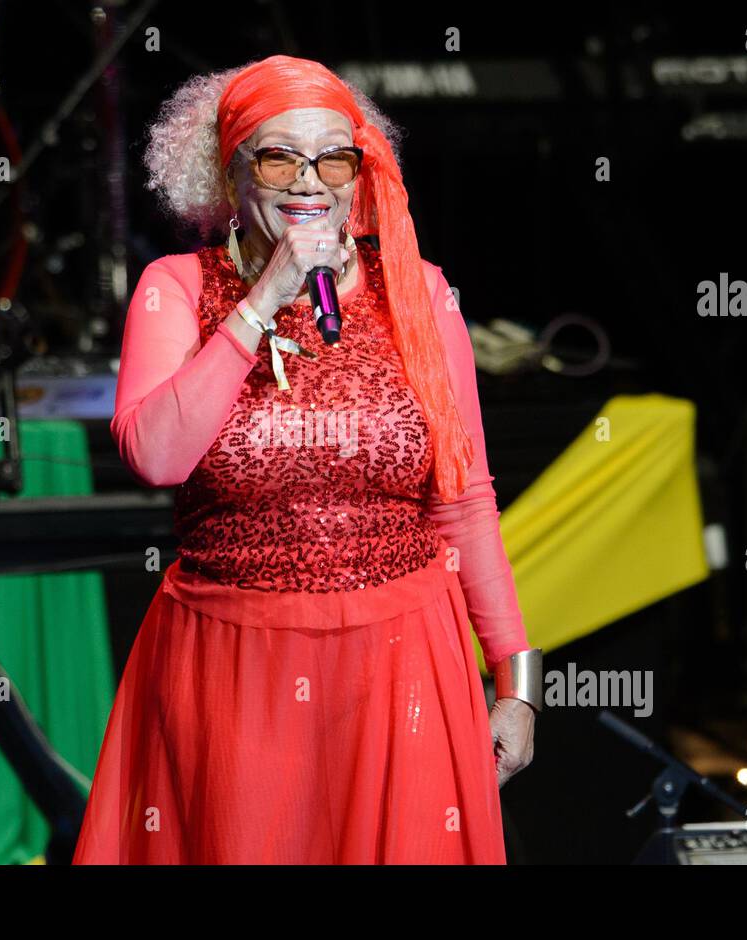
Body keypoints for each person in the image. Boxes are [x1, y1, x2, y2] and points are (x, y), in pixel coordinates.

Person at [73, 54, 540, 865]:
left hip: (404, 662)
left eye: (334, 156)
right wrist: (263, 301)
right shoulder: (175, 288)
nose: (309, 180)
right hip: (234, 662)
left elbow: (464, 499)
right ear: (228, 173)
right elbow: (155, 455)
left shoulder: (419, 293)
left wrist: (517, 683)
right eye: (278, 155)